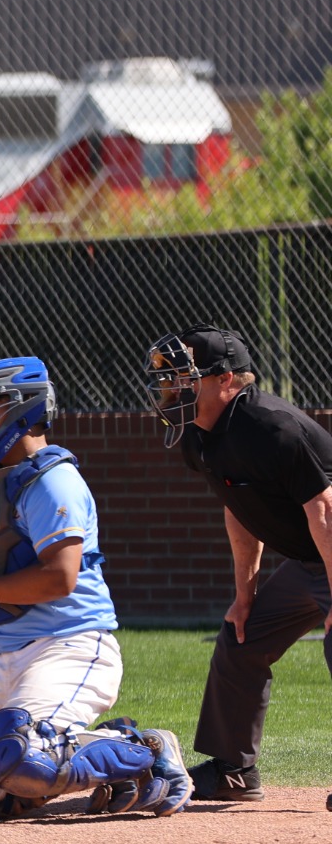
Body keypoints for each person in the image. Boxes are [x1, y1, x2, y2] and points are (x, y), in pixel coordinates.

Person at [0, 357, 189, 822]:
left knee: (24, 758)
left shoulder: (51, 481)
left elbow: (59, 578)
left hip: (72, 648)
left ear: (22, 408)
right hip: (11, 659)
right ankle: (92, 763)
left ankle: (146, 751)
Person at [146, 325, 332, 802]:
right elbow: (239, 509)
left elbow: (324, 511)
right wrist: (244, 598)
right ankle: (233, 770)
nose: (173, 390)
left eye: (186, 379)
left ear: (227, 380)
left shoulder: (271, 428)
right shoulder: (199, 436)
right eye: (170, 381)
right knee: (241, 638)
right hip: (311, 559)